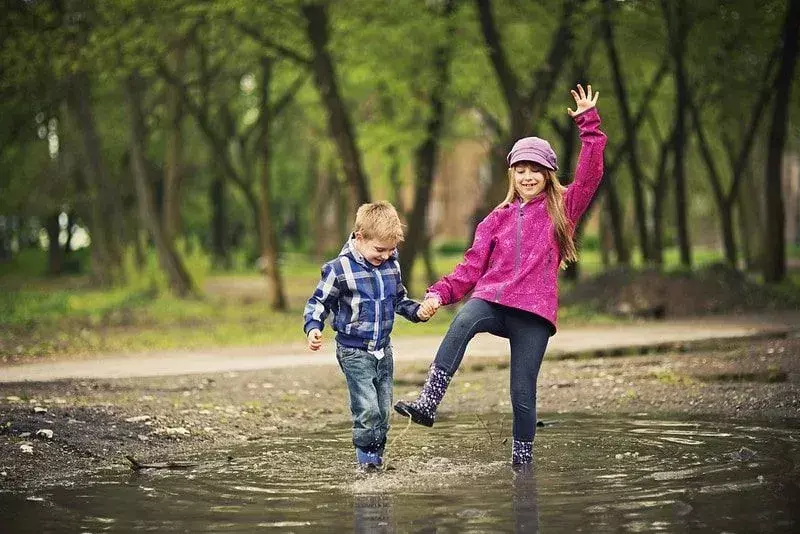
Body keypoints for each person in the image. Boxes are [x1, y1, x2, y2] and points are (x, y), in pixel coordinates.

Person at [394, 84, 607, 467]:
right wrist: (438, 295)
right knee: (463, 320)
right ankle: (428, 402)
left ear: (547, 174)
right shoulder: (496, 219)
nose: (527, 177)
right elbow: (470, 267)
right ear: (512, 174)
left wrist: (588, 124)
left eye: (535, 171)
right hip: (493, 301)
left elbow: (590, 175)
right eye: (520, 170)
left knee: (522, 392)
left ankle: (522, 463)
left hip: (534, 313)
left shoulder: (563, 208)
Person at [303, 201, 436, 470]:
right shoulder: (339, 269)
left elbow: (399, 300)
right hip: (353, 350)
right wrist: (313, 327)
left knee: (384, 411)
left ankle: (377, 457)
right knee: (367, 409)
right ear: (359, 237)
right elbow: (318, 302)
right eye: (379, 250)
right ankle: (366, 463)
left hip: (383, 350)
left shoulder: (391, 265)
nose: (386, 256)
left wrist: (418, 311)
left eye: (391, 250)